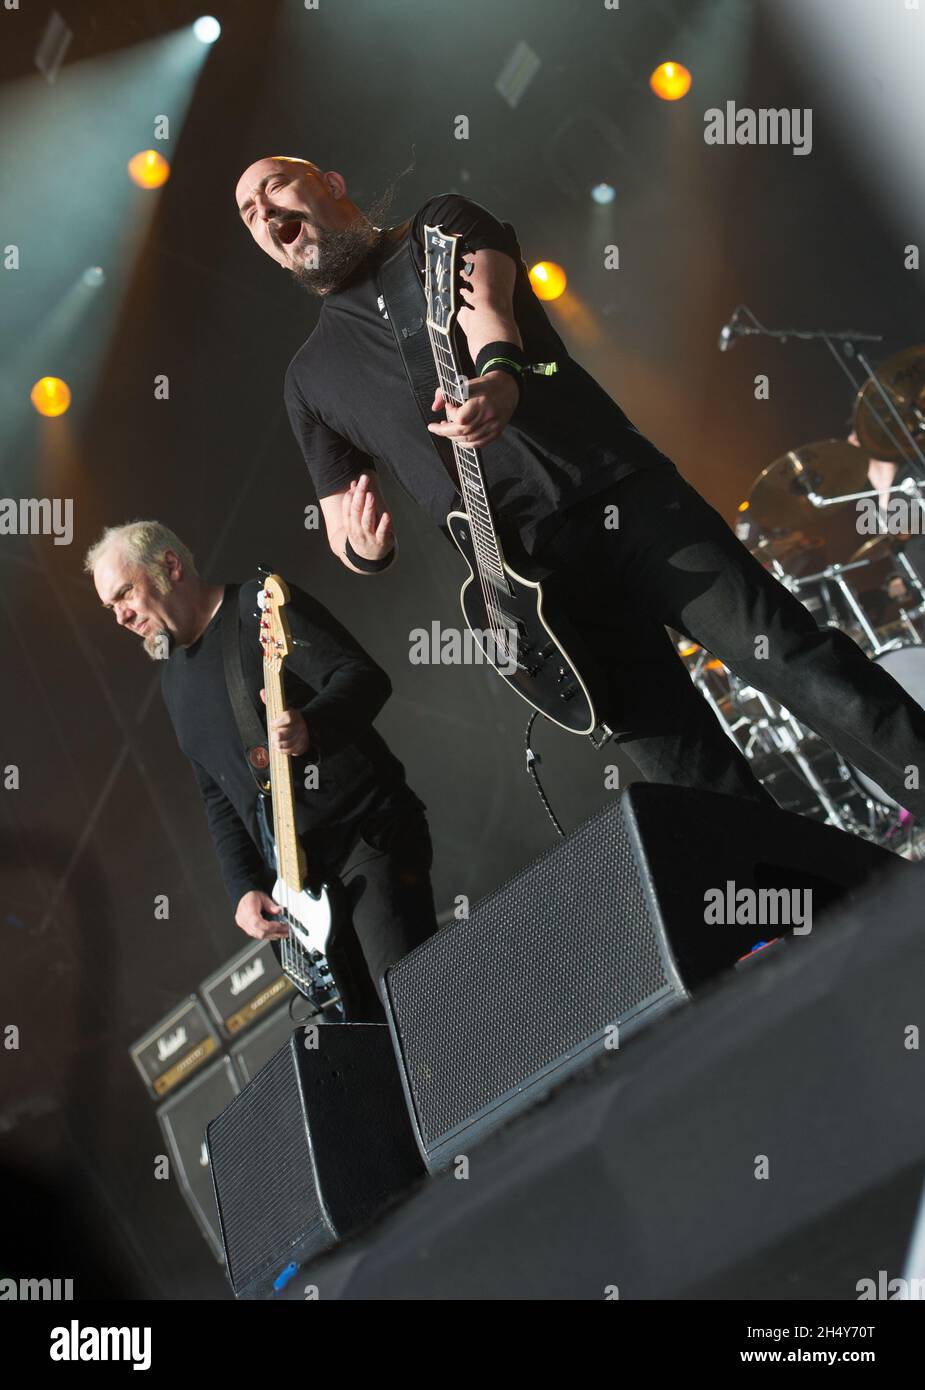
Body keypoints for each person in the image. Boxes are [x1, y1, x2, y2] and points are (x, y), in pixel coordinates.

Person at [234, 154, 925, 823]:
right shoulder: (308, 378)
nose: (263, 211)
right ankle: (798, 919)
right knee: (683, 769)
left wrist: (498, 378)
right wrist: (363, 547)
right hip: (529, 586)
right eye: (248, 213)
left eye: (274, 187)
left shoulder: (439, 228)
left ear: (328, 183)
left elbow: (489, 316)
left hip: (619, 495)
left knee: (797, 663)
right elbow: (341, 524)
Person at [85, 519, 438, 1021]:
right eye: (109, 608)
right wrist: (243, 888)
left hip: (367, 836)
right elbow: (217, 794)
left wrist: (311, 726)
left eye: (124, 593)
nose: (119, 616)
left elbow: (363, 676)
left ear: (169, 566)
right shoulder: (173, 685)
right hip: (301, 889)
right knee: (368, 1042)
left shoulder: (258, 608)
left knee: (413, 1010)